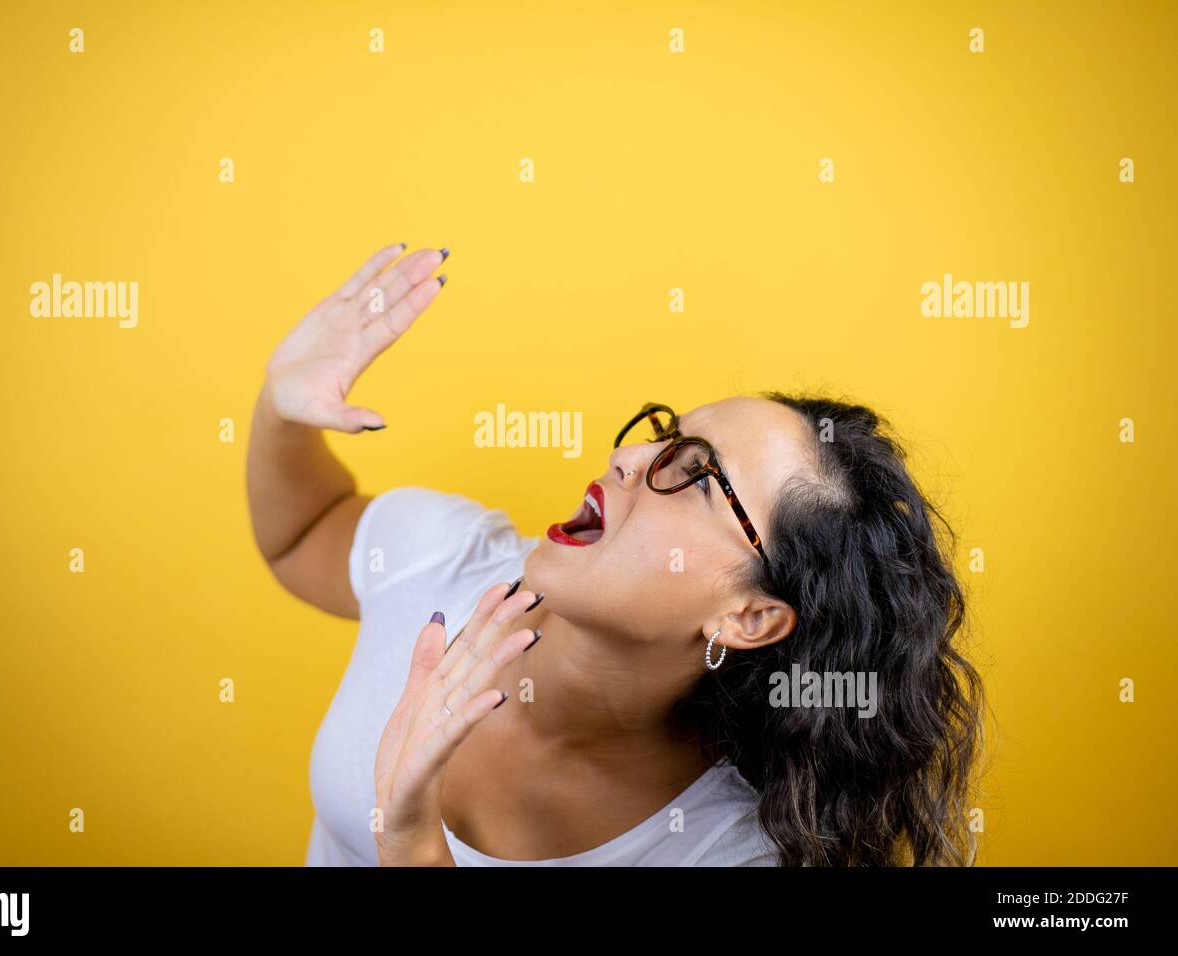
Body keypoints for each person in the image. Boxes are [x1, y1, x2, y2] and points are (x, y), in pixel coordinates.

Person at [246, 242, 986, 866]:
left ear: (751, 616)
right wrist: (279, 404)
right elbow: (303, 533)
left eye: (697, 476)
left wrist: (411, 843)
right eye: (663, 433)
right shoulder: (445, 555)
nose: (629, 457)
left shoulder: (723, 852)